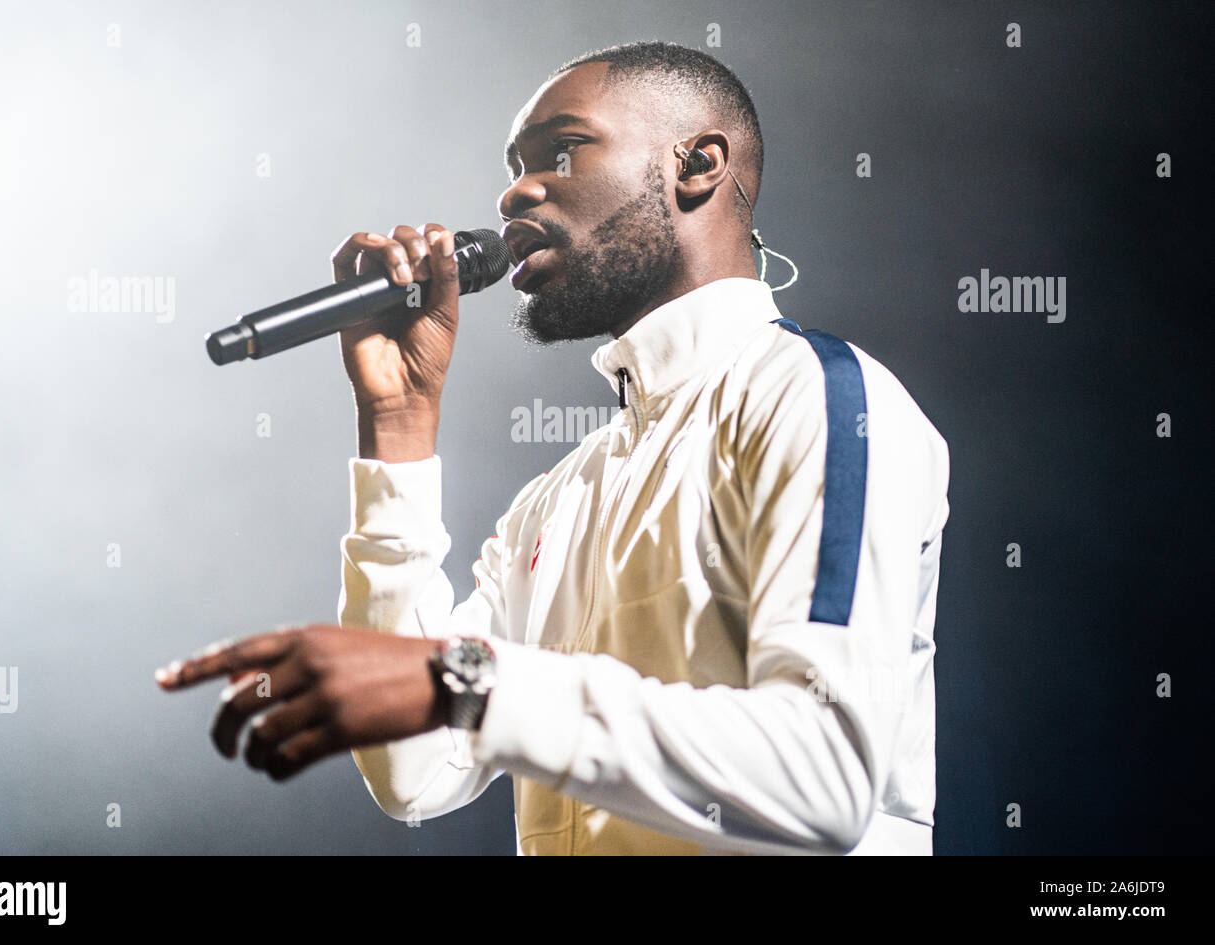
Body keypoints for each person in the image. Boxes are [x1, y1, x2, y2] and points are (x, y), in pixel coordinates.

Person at [157, 40, 950, 856]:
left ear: (699, 164)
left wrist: (465, 681)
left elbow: (825, 775)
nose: (513, 192)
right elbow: (417, 772)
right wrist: (398, 422)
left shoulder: (815, 399)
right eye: (511, 166)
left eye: (561, 151)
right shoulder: (556, 500)